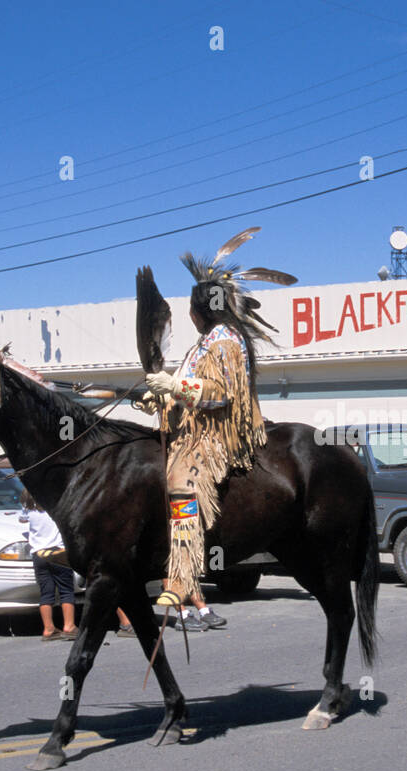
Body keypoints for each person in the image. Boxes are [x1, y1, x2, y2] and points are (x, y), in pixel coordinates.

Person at [135, 229, 293, 611]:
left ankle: (182, 574)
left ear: (200, 310)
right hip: (192, 428)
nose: (188, 314)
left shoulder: (225, 341)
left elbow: (221, 394)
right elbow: (191, 389)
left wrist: (175, 384)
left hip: (218, 437)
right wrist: (162, 397)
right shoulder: (204, 342)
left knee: (181, 480)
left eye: (191, 308)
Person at [19, 489, 77, 642]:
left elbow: (21, 520)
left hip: (38, 554)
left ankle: (48, 628)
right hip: (58, 552)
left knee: (46, 593)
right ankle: (69, 626)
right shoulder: (56, 507)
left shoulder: (28, 508)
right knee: (66, 590)